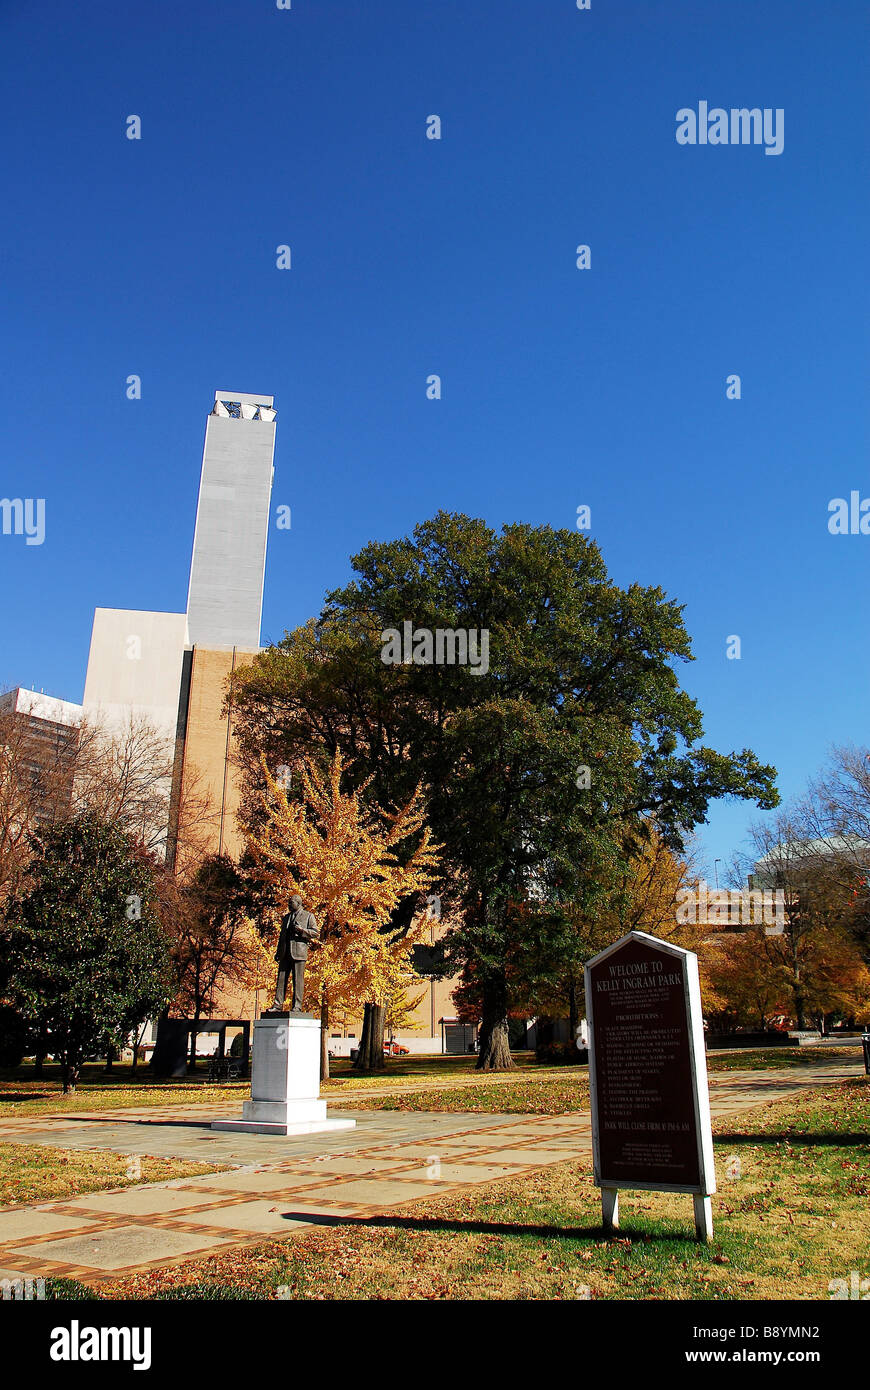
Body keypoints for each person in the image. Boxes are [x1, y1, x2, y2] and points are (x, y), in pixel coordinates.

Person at [271, 894, 319, 1013]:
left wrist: (302, 930)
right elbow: (282, 936)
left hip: (299, 952)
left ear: (298, 903)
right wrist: (278, 951)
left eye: (291, 902)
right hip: (285, 952)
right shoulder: (286, 917)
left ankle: (297, 1006)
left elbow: (315, 932)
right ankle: (277, 1005)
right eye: (288, 902)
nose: (288, 905)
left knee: (298, 980)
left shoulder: (308, 916)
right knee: (281, 979)